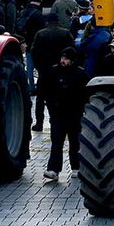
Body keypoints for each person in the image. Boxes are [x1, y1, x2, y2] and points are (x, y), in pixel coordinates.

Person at [41, 47, 88, 181]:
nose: (63, 61)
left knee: (75, 142)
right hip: (57, 113)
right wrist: (51, 104)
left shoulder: (80, 74)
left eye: (66, 59)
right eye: (62, 58)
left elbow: (85, 94)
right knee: (56, 141)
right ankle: (53, 169)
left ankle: (76, 167)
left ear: (72, 60)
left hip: (74, 113)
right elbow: (45, 90)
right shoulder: (54, 72)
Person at [30, 15, 74, 132]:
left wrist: (38, 67)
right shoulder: (65, 33)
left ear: (47, 22)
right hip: (61, 70)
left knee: (40, 98)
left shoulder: (40, 34)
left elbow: (33, 51)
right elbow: (72, 50)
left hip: (44, 71)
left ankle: (39, 123)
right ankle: (59, 120)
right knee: (61, 96)